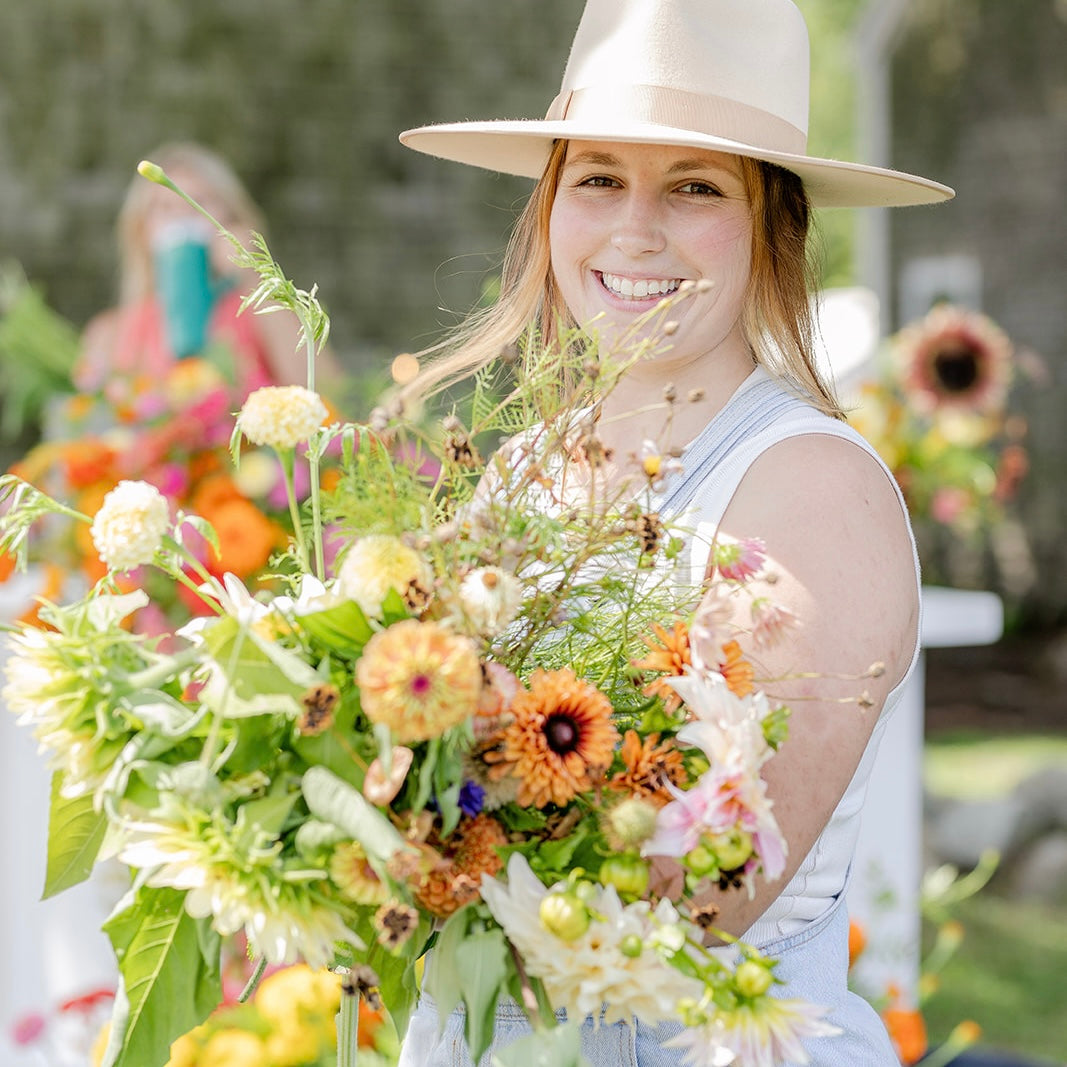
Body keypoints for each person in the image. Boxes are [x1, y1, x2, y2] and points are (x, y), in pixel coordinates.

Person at [391, 1, 953, 1063]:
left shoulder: (813, 489)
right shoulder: (514, 469)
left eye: (693, 187)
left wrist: (419, 807)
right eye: (597, 176)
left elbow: (703, 893)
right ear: (551, 204)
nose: (633, 228)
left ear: (771, 229)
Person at [74, 141, 334, 398]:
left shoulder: (263, 316)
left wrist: (253, 274)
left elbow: (328, 393)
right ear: (141, 230)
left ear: (232, 219)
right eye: (165, 208)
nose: (182, 218)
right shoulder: (110, 334)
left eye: (198, 203)